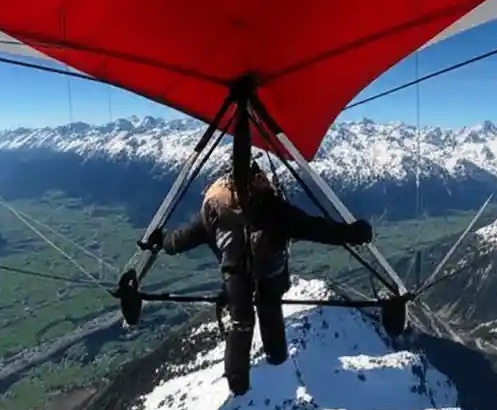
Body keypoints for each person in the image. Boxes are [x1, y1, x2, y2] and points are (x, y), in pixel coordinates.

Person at [145, 164, 373, 396]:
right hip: (268, 270)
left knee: (241, 321)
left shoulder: (216, 208)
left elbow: (179, 240)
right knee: (268, 305)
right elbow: (317, 228)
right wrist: (353, 233)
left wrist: (162, 240)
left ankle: (239, 386)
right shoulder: (275, 209)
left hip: (236, 273)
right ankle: (276, 358)